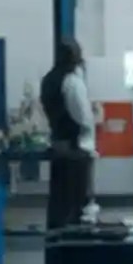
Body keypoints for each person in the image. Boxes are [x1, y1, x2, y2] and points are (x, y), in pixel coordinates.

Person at [41, 38, 98, 230]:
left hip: (58, 144)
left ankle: (56, 243)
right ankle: (74, 246)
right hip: (75, 148)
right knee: (76, 204)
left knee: (59, 201)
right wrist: (95, 117)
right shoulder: (72, 81)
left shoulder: (48, 79)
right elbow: (83, 117)